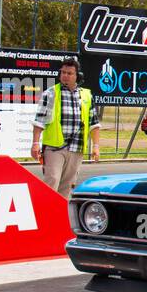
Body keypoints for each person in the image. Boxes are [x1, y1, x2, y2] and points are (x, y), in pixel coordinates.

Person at [31, 57, 98, 198]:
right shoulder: (51, 93)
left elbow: (94, 123)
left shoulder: (86, 95)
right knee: (52, 179)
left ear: (77, 76)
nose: (65, 76)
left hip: (76, 147)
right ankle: (44, 215)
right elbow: (39, 121)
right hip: (55, 148)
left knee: (68, 186)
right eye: (63, 73)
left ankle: (59, 217)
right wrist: (35, 143)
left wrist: (96, 146)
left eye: (69, 73)